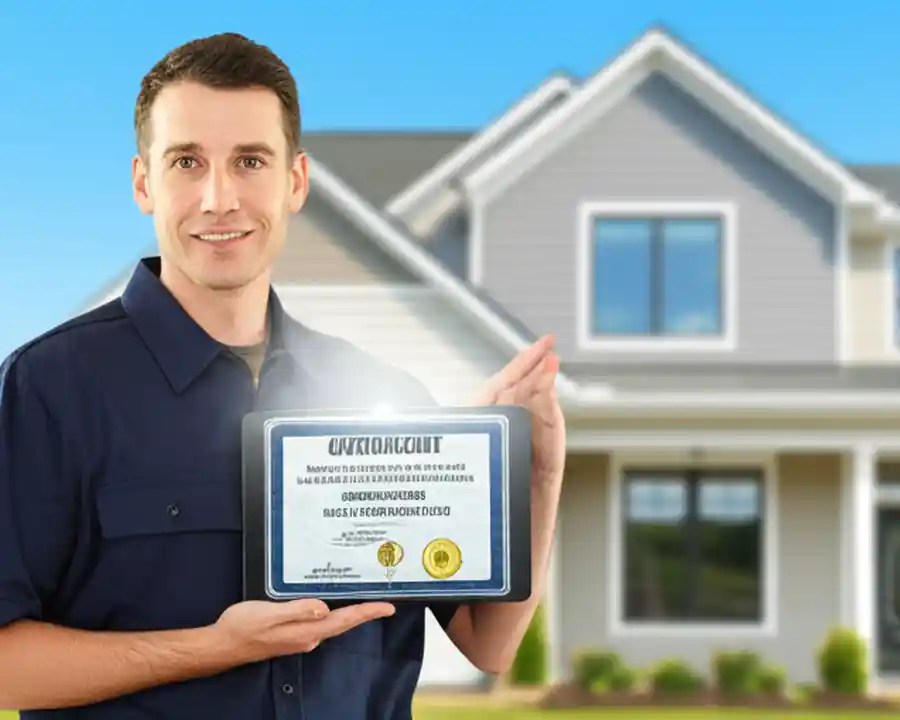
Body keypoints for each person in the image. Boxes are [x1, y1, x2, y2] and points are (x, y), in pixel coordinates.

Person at [0, 32, 565, 719]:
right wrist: (213, 648)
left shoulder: (385, 400)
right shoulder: (47, 392)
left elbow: (488, 644)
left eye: (249, 161)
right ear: (143, 182)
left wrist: (536, 473)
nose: (219, 198)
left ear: (295, 180)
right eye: (186, 162)